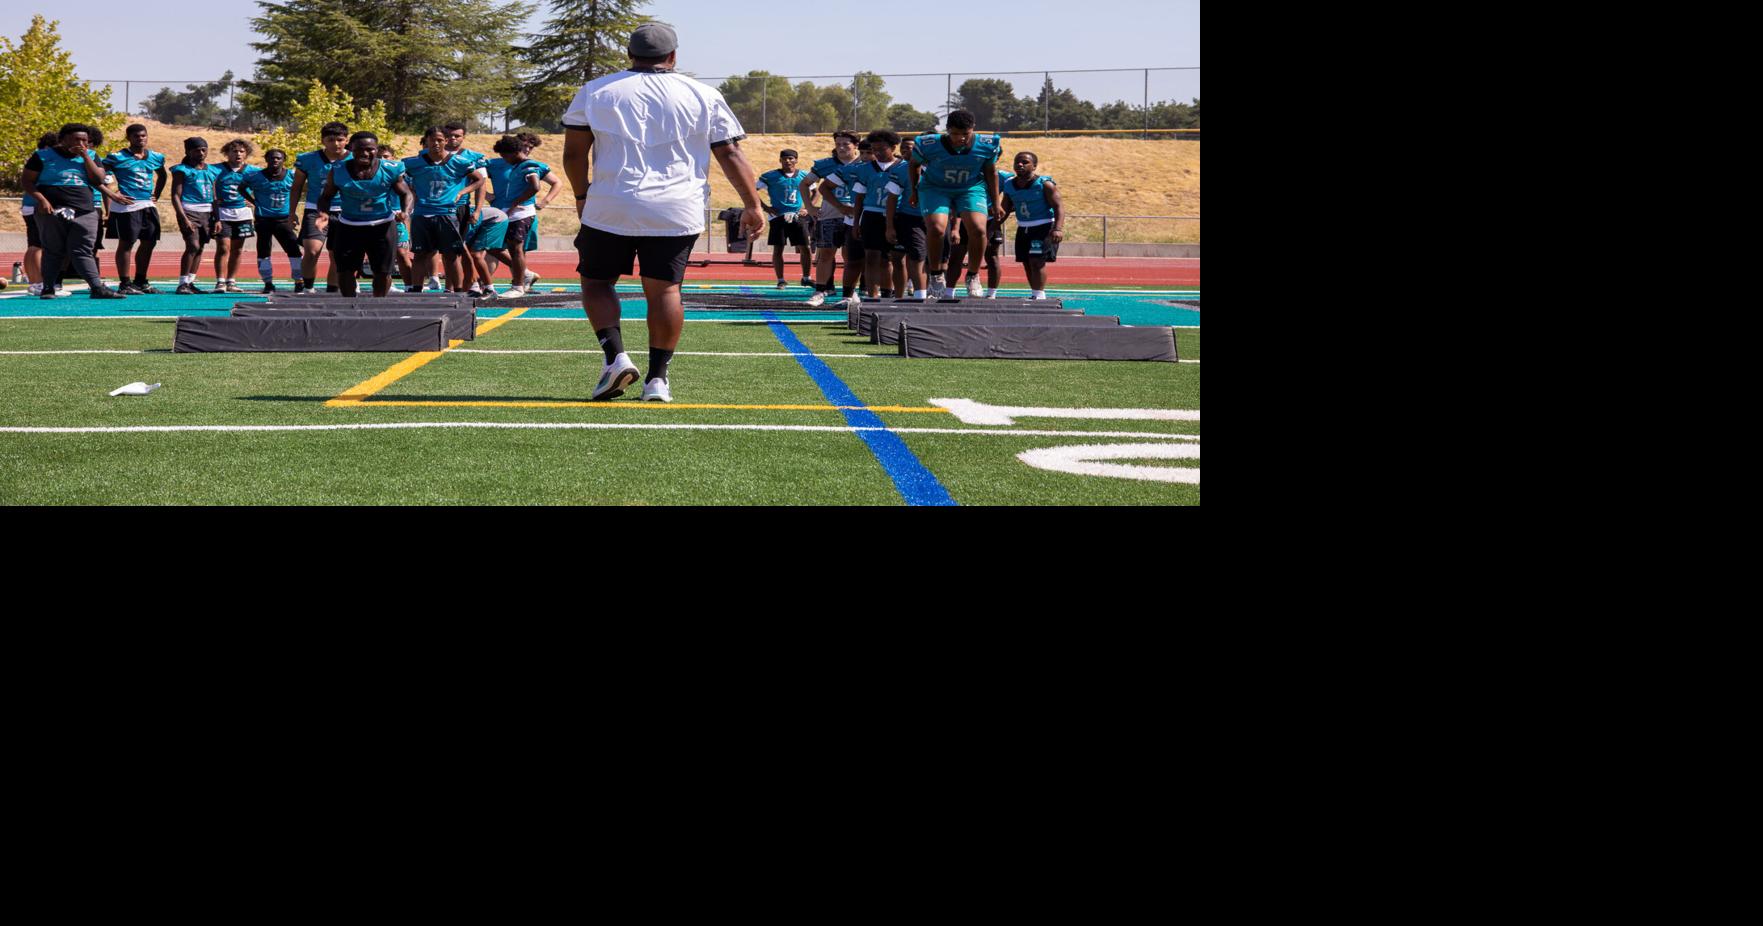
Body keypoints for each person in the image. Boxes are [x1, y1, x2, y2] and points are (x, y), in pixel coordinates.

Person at [561, 22, 765, 403]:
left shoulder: (595, 91)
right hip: (677, 207)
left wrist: (581, 195)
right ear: (673, 57)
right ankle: (658, 380)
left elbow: (574, 154)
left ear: (629, 55)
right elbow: (731, 153)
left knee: (597, 282)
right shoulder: (703, 93)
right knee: (666, 290)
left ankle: (615, 356)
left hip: (611, 202)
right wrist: (752, 205)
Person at [19, 123, 131, 299]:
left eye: (84, 140)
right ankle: (48, 288)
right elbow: (26, 181)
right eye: (76, 139)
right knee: (53, 249)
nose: (81, 143)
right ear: (63, 139)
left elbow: (98, 179)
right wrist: (41, 199)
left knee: (83, 250)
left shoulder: (92, 155)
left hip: (85, 210)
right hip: (51, 211)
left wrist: (85, 156)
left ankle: (96, 288)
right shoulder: (42, 156)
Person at [907, 109, 1003, 299]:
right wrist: (914, 190)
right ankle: (935, 274)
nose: (959, 138)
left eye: (964, 134)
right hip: (935, 187)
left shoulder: (987, 143)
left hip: (970, 187)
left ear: (972, 129)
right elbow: (913, 164)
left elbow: (991, 172)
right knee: (936, 228)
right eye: (955, 134)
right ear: (947, 130)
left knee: (978, 229)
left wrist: (996, 201)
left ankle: (973, 275)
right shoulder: (928, 144)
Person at [315, 131, 414, 297]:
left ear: (376, 149)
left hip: (382, 225)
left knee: (382, 272)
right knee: (345, 271)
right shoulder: (338, 169)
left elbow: (406, 193)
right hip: (349, 225)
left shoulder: (391, 169)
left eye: (370, 149)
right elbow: (325, 197)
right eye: (359, 149)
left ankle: (378, 304)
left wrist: (405, 212)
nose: (365, 153)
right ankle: (349, 305)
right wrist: (323, 214)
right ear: (351, 149)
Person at [402, 126, 489, 294]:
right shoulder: (411, 163)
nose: (436, 143)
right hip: (422, 214)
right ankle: (416, 291)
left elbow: (479, 180)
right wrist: (411, 195)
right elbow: (400, 182)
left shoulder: (460, 162)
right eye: (432, 139)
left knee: (451, 255)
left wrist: (461, 192)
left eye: (440, 140)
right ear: (426, 140)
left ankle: (457, 292)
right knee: (420, 255)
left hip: (447, 214)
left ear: (446, 141)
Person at [483, 132, 559, 297]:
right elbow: (476, 177)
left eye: (530, 147)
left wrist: (517, 203)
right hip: (503, 212)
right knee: (492, 246)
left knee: (516, 249)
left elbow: (536, 186)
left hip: (520, 213)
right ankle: (523, 276)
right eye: (525, 145)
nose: (527, 149)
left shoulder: (529, 165)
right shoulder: (503, 164)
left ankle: (517, 286)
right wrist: (488, 196)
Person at [850, 130, 918, 301]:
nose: (878, 153)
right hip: (872, 215)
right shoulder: (864, 169)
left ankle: (897, 296)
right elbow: (859, 198)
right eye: (874, 149)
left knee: (896, 258)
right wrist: (856, 222)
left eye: (882, 149)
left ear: (894, 147)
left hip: (898, 217)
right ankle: (873, 296)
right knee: (872, 256)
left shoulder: (905, 167)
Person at [103, 124, 168, 294]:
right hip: (127, 206)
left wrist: (157, 194)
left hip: (147, 204)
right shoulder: (116, 157)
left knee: (149, 242)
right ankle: (125, 283)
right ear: (129, 138)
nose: (141, 139)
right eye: (137, 136)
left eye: (143, 135)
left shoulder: (156, 156)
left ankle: (141, 281)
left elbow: (162, 175)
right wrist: (112, 195)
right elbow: (101, 177)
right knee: (126, 243)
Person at [289, 121, 350, 292]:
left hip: (345, 211)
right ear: (323, 140)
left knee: (337, 254)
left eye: (340, 139)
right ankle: (307, 288)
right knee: (312, 251)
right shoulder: (307, 159)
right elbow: (296, 187)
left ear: (346, 140)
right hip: (315, 210)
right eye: (330, 139)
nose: (336, 144)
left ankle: (332, 290)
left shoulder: (354, 158)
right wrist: (291, 212)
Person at [813, 135, 871, 307]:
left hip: (873, 217)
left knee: (874, 258)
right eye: (838, 144)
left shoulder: (891, 168)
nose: (841, 147)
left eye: (846, 144)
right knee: (828, 254)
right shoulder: (846, 168)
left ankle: (875, 294)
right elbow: (818, 186)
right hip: (842, 216)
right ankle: (823, 290)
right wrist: (810, 207)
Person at [999, 151, 1064, 299]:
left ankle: (1040, 295)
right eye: (1017, 162)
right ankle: (1035, 293)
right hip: (1023, 227)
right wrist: (990, 229)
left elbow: (1059, 206)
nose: (1020, 165)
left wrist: (1058, 229)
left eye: (1025, 162)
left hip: (1043, 227)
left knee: (1036, 261)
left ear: (1034, 166)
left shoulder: (1045, 184)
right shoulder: (1009, 184)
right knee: (1027, 262)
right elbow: (1005, 210)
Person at [440, 122, 493, 295]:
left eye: (457, 135)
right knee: (447, 251)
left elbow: (481, 184)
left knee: (460, 248)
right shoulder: (433, 154)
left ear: (464, 137)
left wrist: (477, 210)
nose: (453, 139)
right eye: (450, 135)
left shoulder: (474, 157)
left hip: (460, 207)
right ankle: (450, 287)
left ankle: (473, 283)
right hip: (436, 208)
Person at [243, 148, 301, 292]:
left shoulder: (292, 176)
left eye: (278, 158)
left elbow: (298, 191)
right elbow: (241, 188)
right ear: (266, 159)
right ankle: (268, 283)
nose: (275, 160)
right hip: (264, 220)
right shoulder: (255, 176)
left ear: (284, 160)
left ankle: (299, 281)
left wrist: (293, 212)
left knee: (294, 250)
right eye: (272, 158)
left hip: (283, 219)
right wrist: (253, 201)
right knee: (264, 251)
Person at [168, 137, 222, 294]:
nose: (201, 152)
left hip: (207, 212)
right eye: (197, 149)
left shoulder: (212, 170)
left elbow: (214, 196)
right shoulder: (182, 170)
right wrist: (183, 217)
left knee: (200, 248)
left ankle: (190, 282)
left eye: (203, 149)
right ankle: (182, 283)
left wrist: (217, 218)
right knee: (193, 245)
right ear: (188, 151)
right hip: (189, 211)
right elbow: (175, 195)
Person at [756, 149, 813, 288]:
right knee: (778, 248)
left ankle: (806, 277)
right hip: (778, 216)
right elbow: (752, 191)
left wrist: (808, 207)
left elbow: (816, 191)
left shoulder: (804, 175)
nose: (788, 161)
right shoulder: (770, 176)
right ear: (780, 160)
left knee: (805, 247)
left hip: (798, 216)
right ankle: (781, 279)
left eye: (791, 158)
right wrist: (766, 207)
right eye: (785, 158)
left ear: (796, 160)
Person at [210, 139, 259, 294]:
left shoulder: (253, 171)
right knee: (223, 247)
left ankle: (232, 281)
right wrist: (213, 200)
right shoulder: (215, 169)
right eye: (234, 151)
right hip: (223, 213)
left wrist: (252, 199)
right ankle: (220, 282)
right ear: (227, 153)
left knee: (238, 249)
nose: (238, 154)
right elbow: (206, 184)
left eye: (241, 151)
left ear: (246, 153)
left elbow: (263, 186)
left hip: (243, 214)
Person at [375, 142, 417, 291]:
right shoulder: (371, 173)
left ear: (393, 158)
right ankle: (387, 284)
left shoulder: (401, 175)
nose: (383, 159)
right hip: (376, 218)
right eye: (379, 157)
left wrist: (406, 213)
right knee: (380, 255)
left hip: (397, 217)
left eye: (386, 156)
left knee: (402, 253)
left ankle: (410, 286)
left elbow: (410, 195)